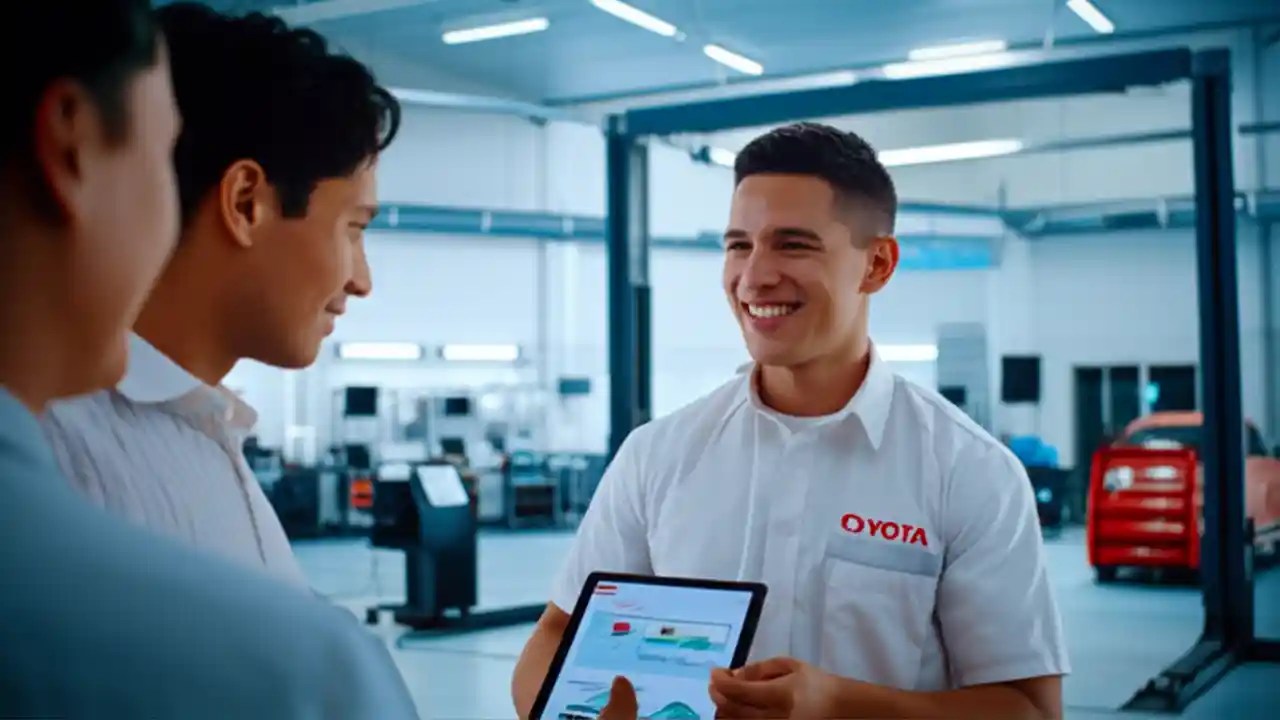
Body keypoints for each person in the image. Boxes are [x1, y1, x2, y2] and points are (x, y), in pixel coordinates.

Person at [513, 123, 1069, 719]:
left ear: (877, 264)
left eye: (793, 245)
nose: (754, 277)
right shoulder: (659, 455)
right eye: (738, 245)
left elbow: (1029, 709)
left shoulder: (968, 471)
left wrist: (841, 707)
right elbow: (555, 637)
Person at [0, 1, 419, 716]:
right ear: (246, 201)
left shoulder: (205, 430)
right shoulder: (64, 452)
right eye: (352, 228)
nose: (362, 279)